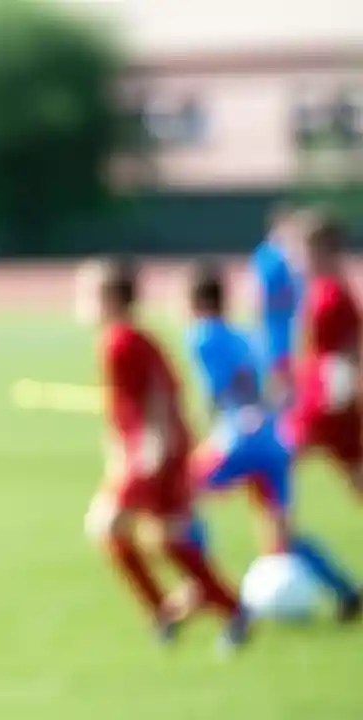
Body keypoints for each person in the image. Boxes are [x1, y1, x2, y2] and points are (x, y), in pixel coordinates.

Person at [75, 257, 248, 651]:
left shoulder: (123, 341)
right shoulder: (128, 338)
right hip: (154, 448)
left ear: (111, 299)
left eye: (87, 295)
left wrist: (151, 444)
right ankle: (227, 609)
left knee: (107, 526)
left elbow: (158, 393)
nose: (80, 304)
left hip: (155, 453)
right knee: (168, 538)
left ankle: (164, 613)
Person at [184, 260, 359, 622]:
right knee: (280, 533)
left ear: (194, 302)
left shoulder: (202, 336)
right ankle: (345, 590)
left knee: (178, 501)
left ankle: (204, 588)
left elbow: (220, 390)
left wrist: (216, 418)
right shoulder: (247, 336)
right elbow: (276, 384)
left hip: (240, 440)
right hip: (272, 442)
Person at [284, 211, 363, 502]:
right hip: (325, 399)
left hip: (325, 400)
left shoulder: (333, 295)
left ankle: (280, 542)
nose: (295, 259)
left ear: (321, 251)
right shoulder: (322, 290)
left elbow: (349, 350)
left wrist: (343, 392)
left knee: (274, 461)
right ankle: (282, 540)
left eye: (300, 251)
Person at [249, 202, 302, 409]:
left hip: (290, 325)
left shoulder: (292, 255)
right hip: (273, 326)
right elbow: (259, 293)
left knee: (288, 375)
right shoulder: (268, 255)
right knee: (276, 375)